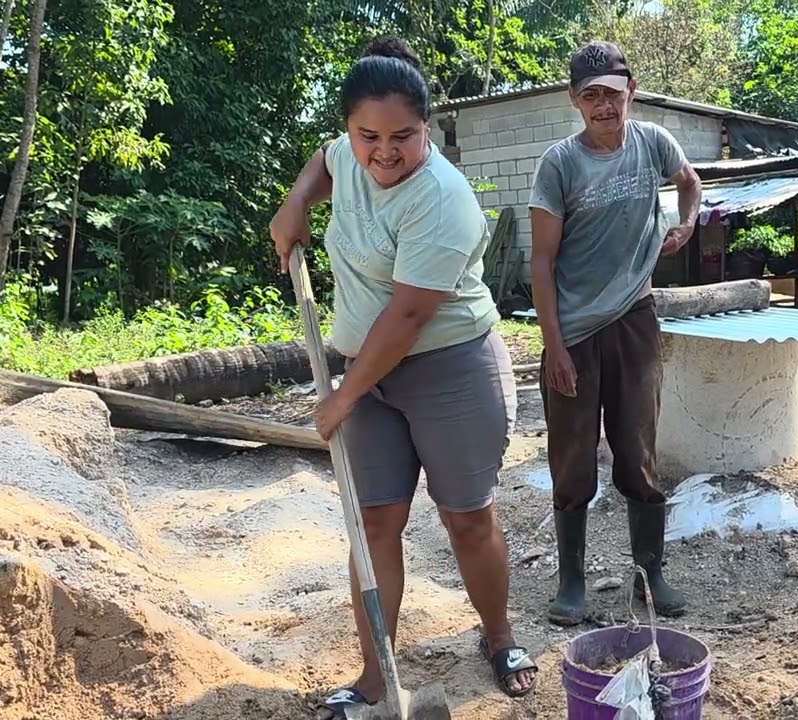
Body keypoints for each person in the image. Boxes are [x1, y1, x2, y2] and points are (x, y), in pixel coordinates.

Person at [268, 36, 537, 716]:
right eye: (369, 136)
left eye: (403, 137)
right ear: (350, 128)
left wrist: (342, 397)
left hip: (450, 367)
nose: (384, 152)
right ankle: (375, 677)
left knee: (467, 519)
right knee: (375, 521)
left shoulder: (444, 198)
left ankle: (499, 635)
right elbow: (323, 165)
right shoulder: (348, 155)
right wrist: (297, 202)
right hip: (367, 369)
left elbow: (411, 312)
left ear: (428, 128)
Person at [527, 40, 703, 627]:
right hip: (573, 331)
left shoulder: (654, 143)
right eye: (592, 95)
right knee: (572, 459)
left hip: (634, 320)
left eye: (613, 91)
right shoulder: (560, 165)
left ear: (631, 89)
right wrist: (553, 346)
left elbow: (690, 181)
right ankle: (572, 580)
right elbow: (542, 264)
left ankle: (649, 572)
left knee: (639, 450)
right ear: (575, 101)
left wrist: (685, 223)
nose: (605, 105)